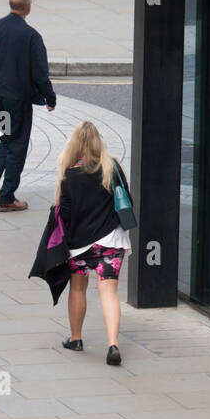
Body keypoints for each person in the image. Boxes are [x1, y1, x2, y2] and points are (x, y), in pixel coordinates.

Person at [52, 122, 131, 366]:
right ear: (98, 142)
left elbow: (64, 215)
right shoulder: (112, 167)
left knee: (77, 288)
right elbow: (125, 201)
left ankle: (76, 338)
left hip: (81, 245)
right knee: (109, 293)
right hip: (110, 242)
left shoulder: (69, 175)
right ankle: (112, 343)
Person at [0, 0, 56, 212]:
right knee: (18, 144)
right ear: (28, 7)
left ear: (10, 4)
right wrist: (50, 98)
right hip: (17, 100)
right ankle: (8, 197)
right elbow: (40, 74)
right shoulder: (31, 36)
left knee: (7, 137)